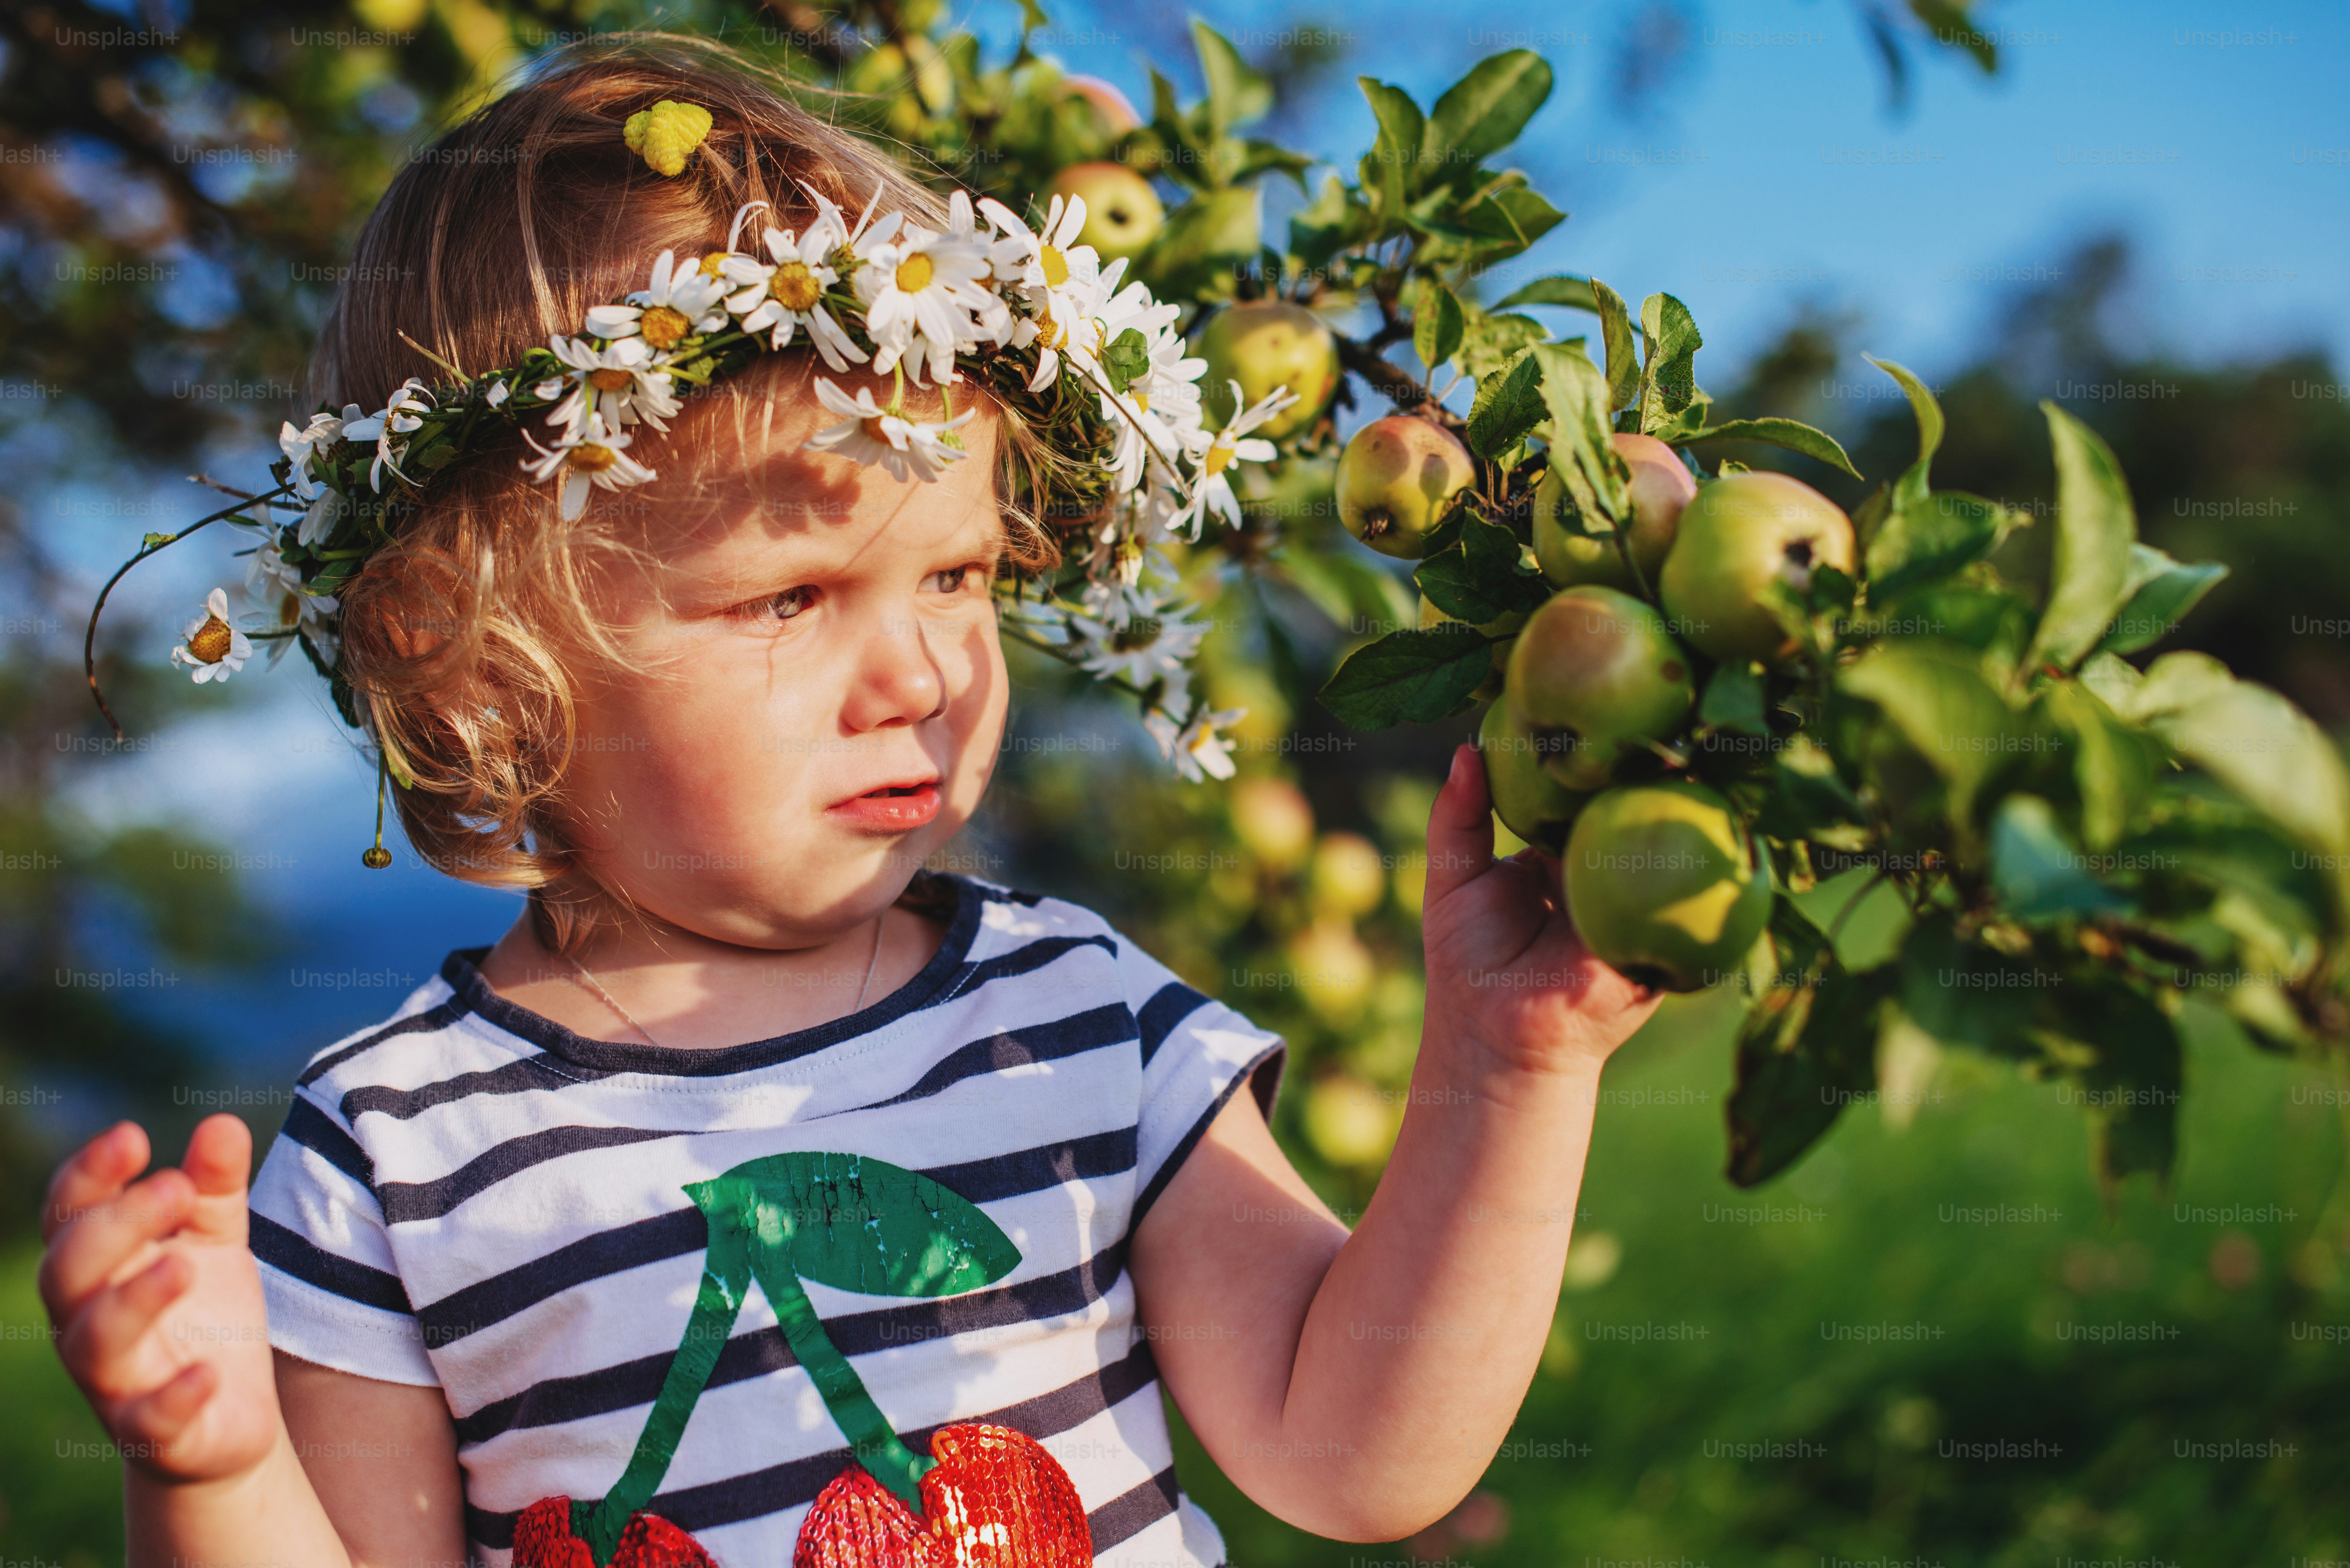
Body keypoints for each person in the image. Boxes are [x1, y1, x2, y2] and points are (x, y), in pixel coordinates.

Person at [37, 33, 1658, 1568]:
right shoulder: (392, 1158)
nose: (925, 677)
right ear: (477, 661)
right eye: (791, 597)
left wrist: (1512, 1070)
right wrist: (217, 1466)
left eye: (954, 574)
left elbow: (1353, 1452)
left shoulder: (1080, 1020)